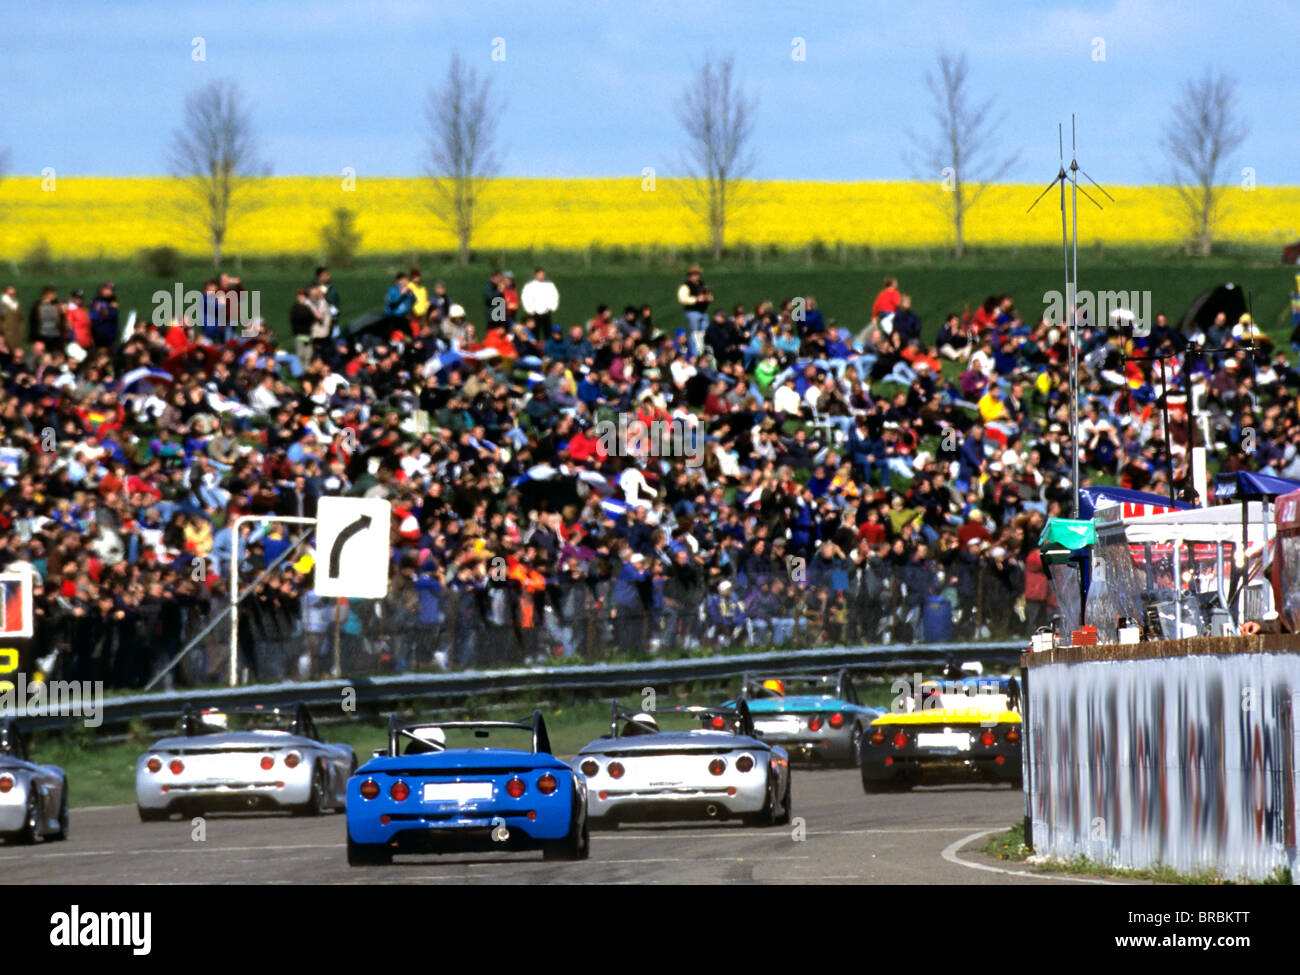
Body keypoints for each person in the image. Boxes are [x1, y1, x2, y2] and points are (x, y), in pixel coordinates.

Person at [676, 265, 712, 355]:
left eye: (698, 274)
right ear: (690, 275)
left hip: (703, 311)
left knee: (705, 332)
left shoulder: (701, 284)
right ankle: (695, 353)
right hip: (693, 312)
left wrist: (708, 298)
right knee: (695, 334)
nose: (697, 276)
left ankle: (704, 351)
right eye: (695, 274)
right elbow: (682, 298)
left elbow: (707, 294)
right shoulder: (686, 286)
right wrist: (696, 299)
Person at [520, 267, 560, 332]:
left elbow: (555, 296)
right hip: (534, 313)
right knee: (535, 331)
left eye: (543, 274)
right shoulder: (529, 285)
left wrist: (552, 307)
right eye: (540, 274)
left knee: (547, 331)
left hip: (547, 312)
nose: (542, 276)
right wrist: (530, 310)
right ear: (535, 275)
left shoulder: (550, 284)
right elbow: (525, 298)